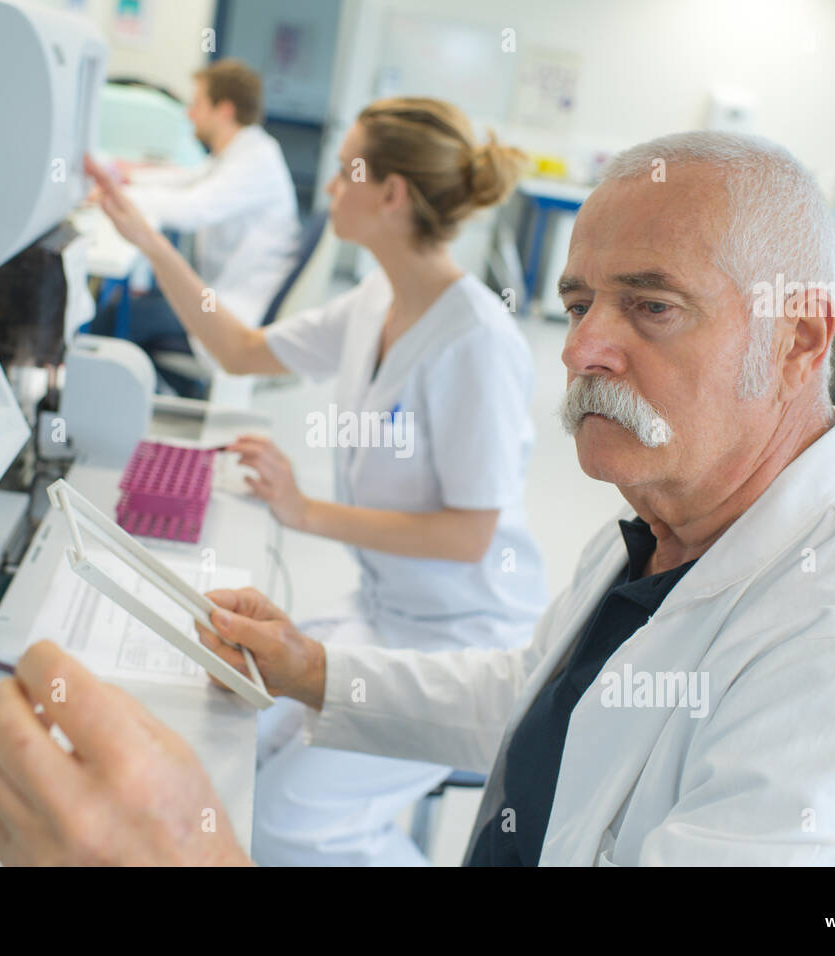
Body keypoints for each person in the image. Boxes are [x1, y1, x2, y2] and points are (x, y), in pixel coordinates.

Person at [0, 130, 835, 866]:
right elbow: (531, 701)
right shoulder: (661, 533)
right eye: (578, 303)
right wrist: (312, 671)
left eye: (651, 305)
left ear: (798, 339)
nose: (583, 347)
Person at [81, 97, 549, 865]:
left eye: (345, 171)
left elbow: (470, 535)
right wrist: (148, 240)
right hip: (383, 616)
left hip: (462, 647)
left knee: (289, 825)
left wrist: (304, 510)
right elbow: (239, 348)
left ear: (391, 194)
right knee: (227, 748)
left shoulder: (476, 341)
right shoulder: (377, 300)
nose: (329, 187)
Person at [89, 58, 298, 392]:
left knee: (110, 318)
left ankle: (84, 400)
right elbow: (188, 180)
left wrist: (113, 197)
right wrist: (127, 179)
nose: (189, 114)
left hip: (229, 313)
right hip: (216, 296)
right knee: (125, 303)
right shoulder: (242, 152)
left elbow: (192, 209)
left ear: (224, 110)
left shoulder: (257, 162)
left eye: (198, 104)